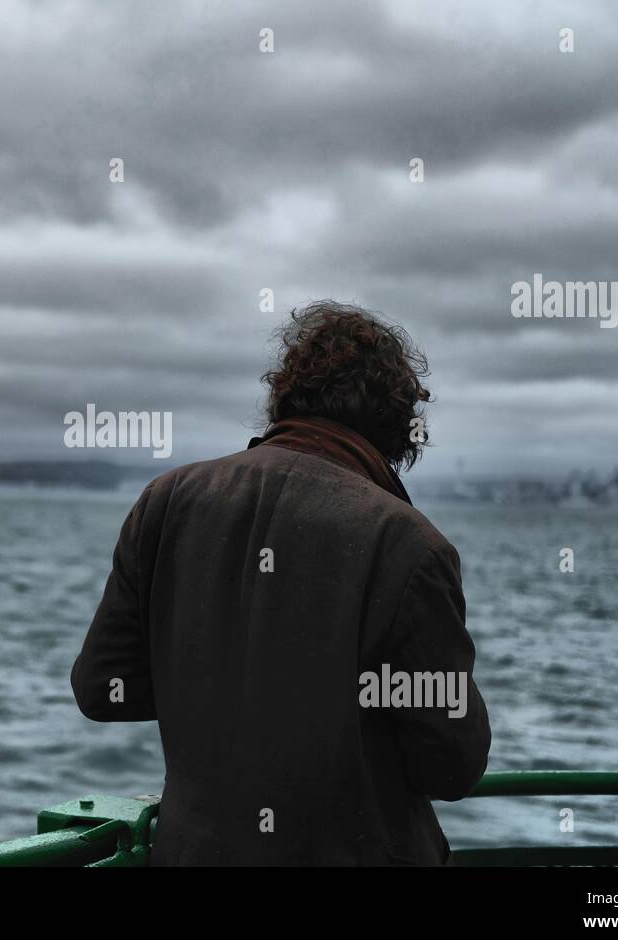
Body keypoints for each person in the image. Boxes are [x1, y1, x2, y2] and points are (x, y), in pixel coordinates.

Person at [70, 301, 491, 865]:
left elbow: (103, 686)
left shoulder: (166, 501)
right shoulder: (411, 545)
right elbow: (452, 764)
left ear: (287, 398)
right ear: (397, 428)